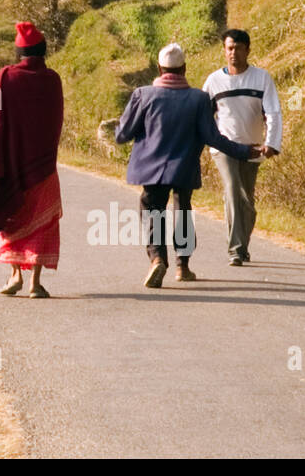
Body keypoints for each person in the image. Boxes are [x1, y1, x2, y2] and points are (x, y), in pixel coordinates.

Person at [113, 43, 262, 288]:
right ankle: (183, 266)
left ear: (160, 68)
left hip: (151, 168)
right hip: (184, 166)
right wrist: (246, 150)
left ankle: (157, 258)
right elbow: (214, 138)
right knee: (183, 209)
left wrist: (123, 129)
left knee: (152, 209)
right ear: (184, 68)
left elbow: (123, 134)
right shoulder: (199, 98)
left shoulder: (143, 95)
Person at [0, 21, 64, 299]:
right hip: (43, 168)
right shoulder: (53, 80)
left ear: (19, 53)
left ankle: (15, 275)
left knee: (11, 219)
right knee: (43, 222)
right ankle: (36, 283)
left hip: (10, 166)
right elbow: (55, 122)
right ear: (43, 51)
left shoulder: (4, 78)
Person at [202, 28, 282, 266]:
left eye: (238, 48)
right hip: (224, 148)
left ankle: (242, 245)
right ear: (224, 51)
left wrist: (272, 143)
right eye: (229, 48)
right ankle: (235, 249)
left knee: (247, 201)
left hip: (253, 148)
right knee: (232, 191)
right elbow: (204, 116)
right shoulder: (214, 80)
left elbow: (273, 112)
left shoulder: (262, 78)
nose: (233, 53)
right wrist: (210, 139)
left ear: (248, 50)